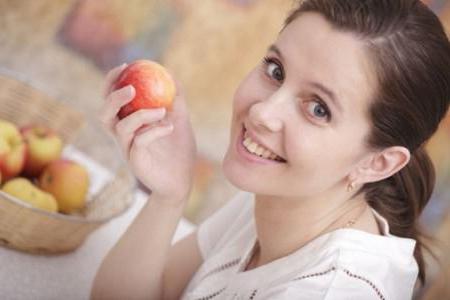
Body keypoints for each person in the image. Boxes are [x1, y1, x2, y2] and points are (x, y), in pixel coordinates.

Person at [91, 0, 450, 299]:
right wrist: (169, 195)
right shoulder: (282, 196)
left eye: (318, 108)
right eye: (276, 70)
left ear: (378, 163)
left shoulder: (330, 291)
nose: (263, 112)